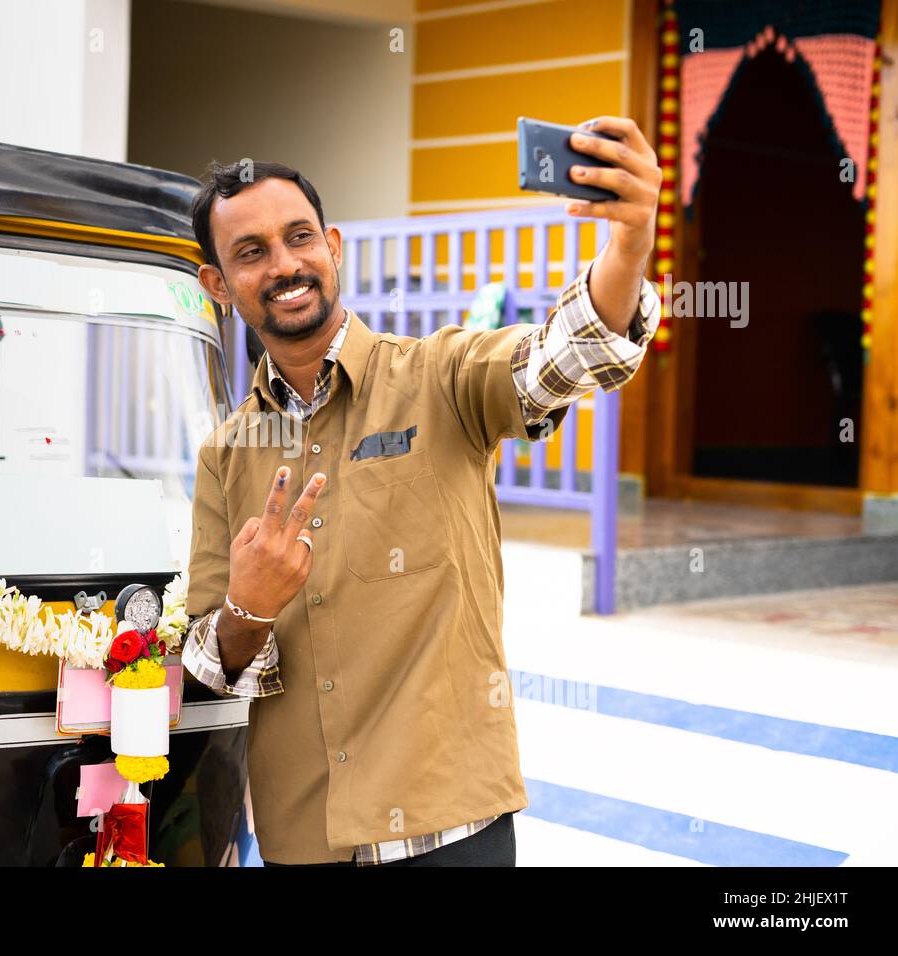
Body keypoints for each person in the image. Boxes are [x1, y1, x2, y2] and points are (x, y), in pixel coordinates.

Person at [181, 117, 663, 866]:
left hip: (451, 830)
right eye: (251, 252)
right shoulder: (225, 456)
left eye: (299, 237)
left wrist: (629, 242)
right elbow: (206, 663)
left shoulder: (443, 378)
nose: (284, 264)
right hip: (302, 835)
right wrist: (248, 608)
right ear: (217, 283)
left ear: (332, 246)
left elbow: (564, 357)